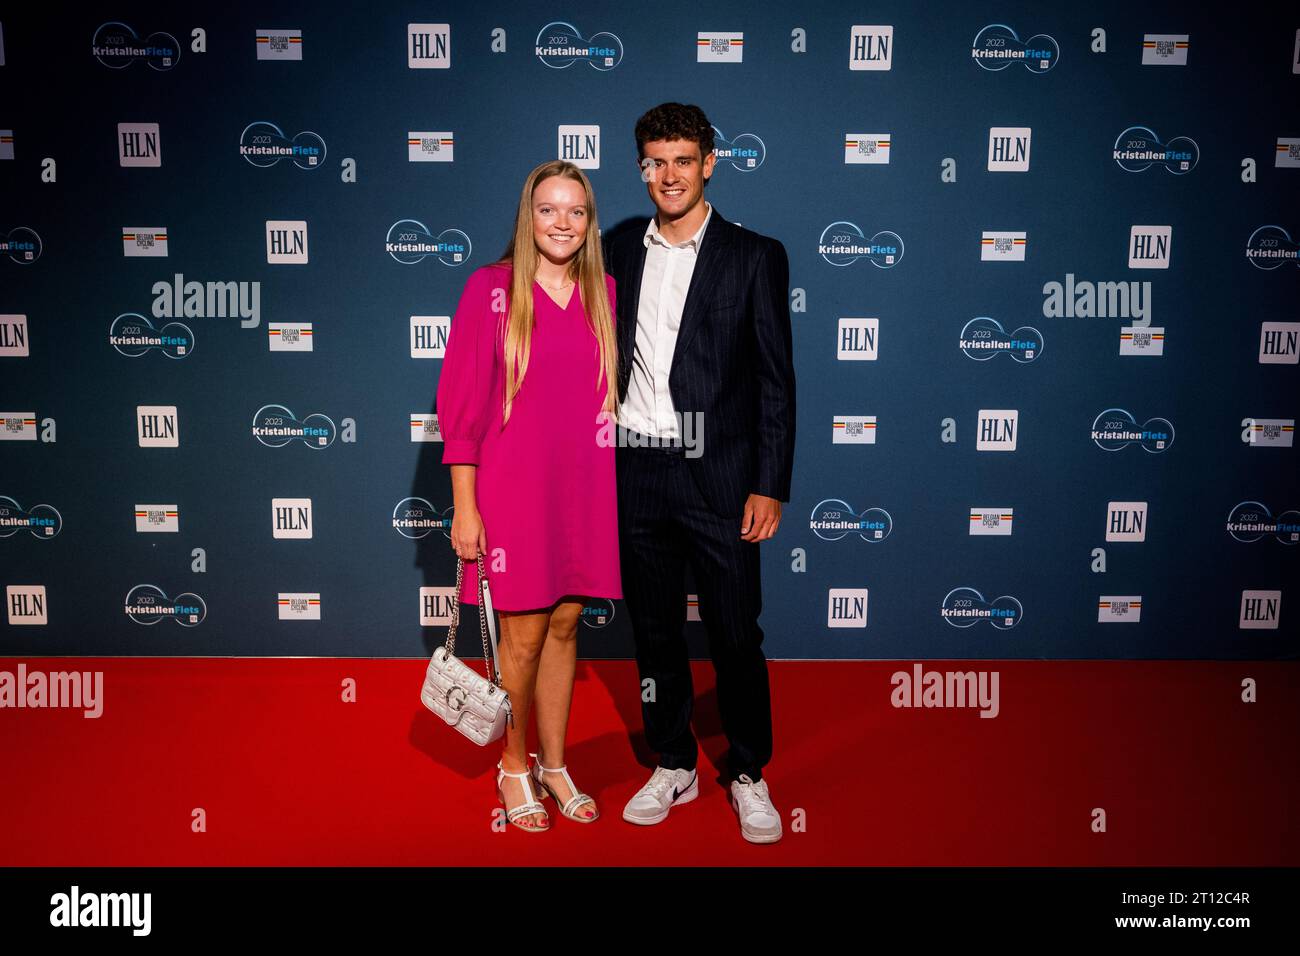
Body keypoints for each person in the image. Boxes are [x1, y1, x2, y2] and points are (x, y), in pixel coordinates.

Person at [604, 103, 796, 844]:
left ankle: (748, 770)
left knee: (734, 633)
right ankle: (673, 759)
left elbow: (777, 380)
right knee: (653, 631)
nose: (670, 174)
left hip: (720, 475)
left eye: (684, 159)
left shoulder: (754, 255)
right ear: (642, 166)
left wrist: (770, 481)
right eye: (656, 161)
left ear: (710, 162)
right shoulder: (617, 246)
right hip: (638, 469)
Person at [435, 159, 621, 832]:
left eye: (576, 211)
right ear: (528, 215)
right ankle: (513, 765)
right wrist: (465, 503)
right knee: (521, 639)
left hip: (586, 490)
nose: (563, 223)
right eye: (549, 209)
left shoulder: (606, 292)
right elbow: (460, 406)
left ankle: (554, 762)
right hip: (513, 491)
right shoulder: (489, 289)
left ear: (589, 222)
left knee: (568, 624)